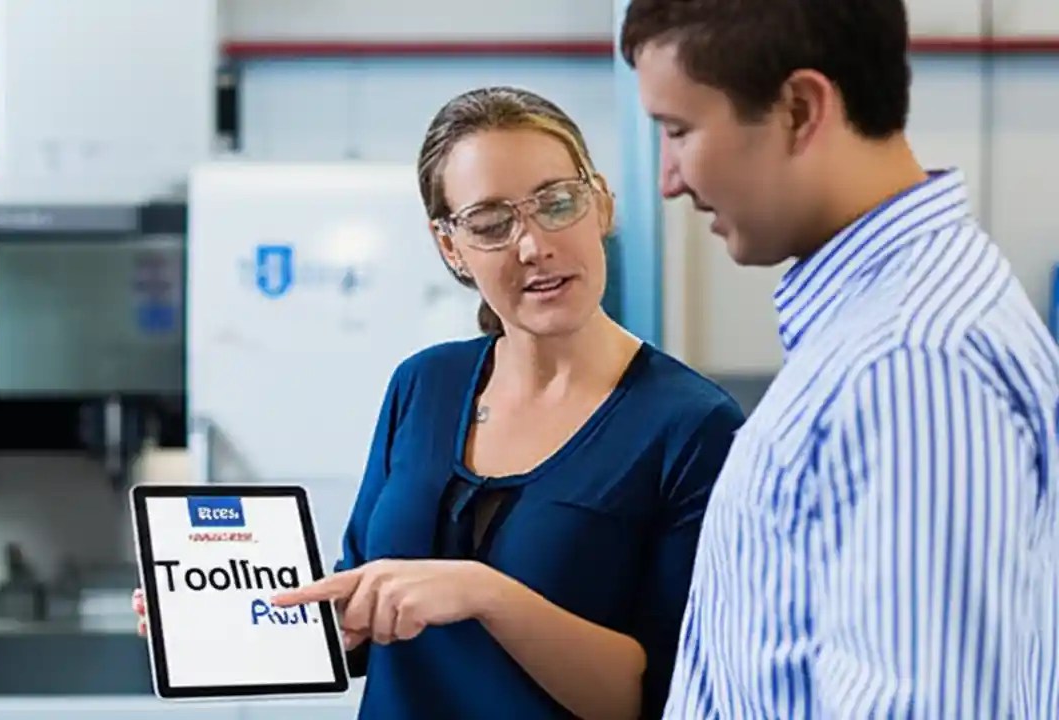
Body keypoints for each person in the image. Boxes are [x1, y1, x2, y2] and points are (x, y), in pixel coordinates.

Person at [135, 86, 745, 719]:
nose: (533, 246)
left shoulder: (692, 426)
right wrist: (222, 624)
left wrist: (486, 594)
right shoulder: (424, 385)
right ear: (450, 246)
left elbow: (666, 695)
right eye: (490, 223)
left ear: (601, 206)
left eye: (557, 204)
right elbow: (362, 621)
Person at [618, 0, 1059, 718]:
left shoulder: (912, 363)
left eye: (679, 130)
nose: (668, 177)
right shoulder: (884, 328)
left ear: (798, 109)